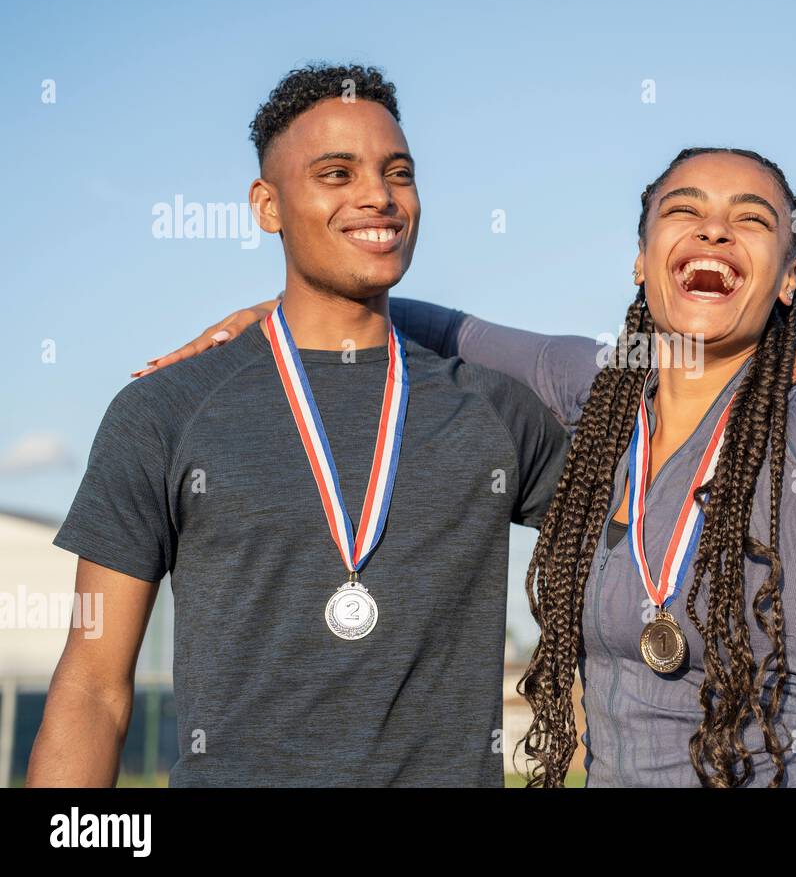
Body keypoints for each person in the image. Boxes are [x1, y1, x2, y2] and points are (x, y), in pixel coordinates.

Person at [149, 7, 796, 787]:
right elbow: (440, 324)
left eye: (753, 219)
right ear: (640, 261)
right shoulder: (594, 390)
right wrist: (282, 313)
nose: (716, 227)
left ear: (787, 282)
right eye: (683, 211)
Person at [28, 64, 572, 787]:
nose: (377, 195)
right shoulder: (164, 411)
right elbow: (93, 688)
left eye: (398, 172)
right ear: (266, 205)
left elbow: (664, 485)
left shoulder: (495, 412)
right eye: (336, 173)